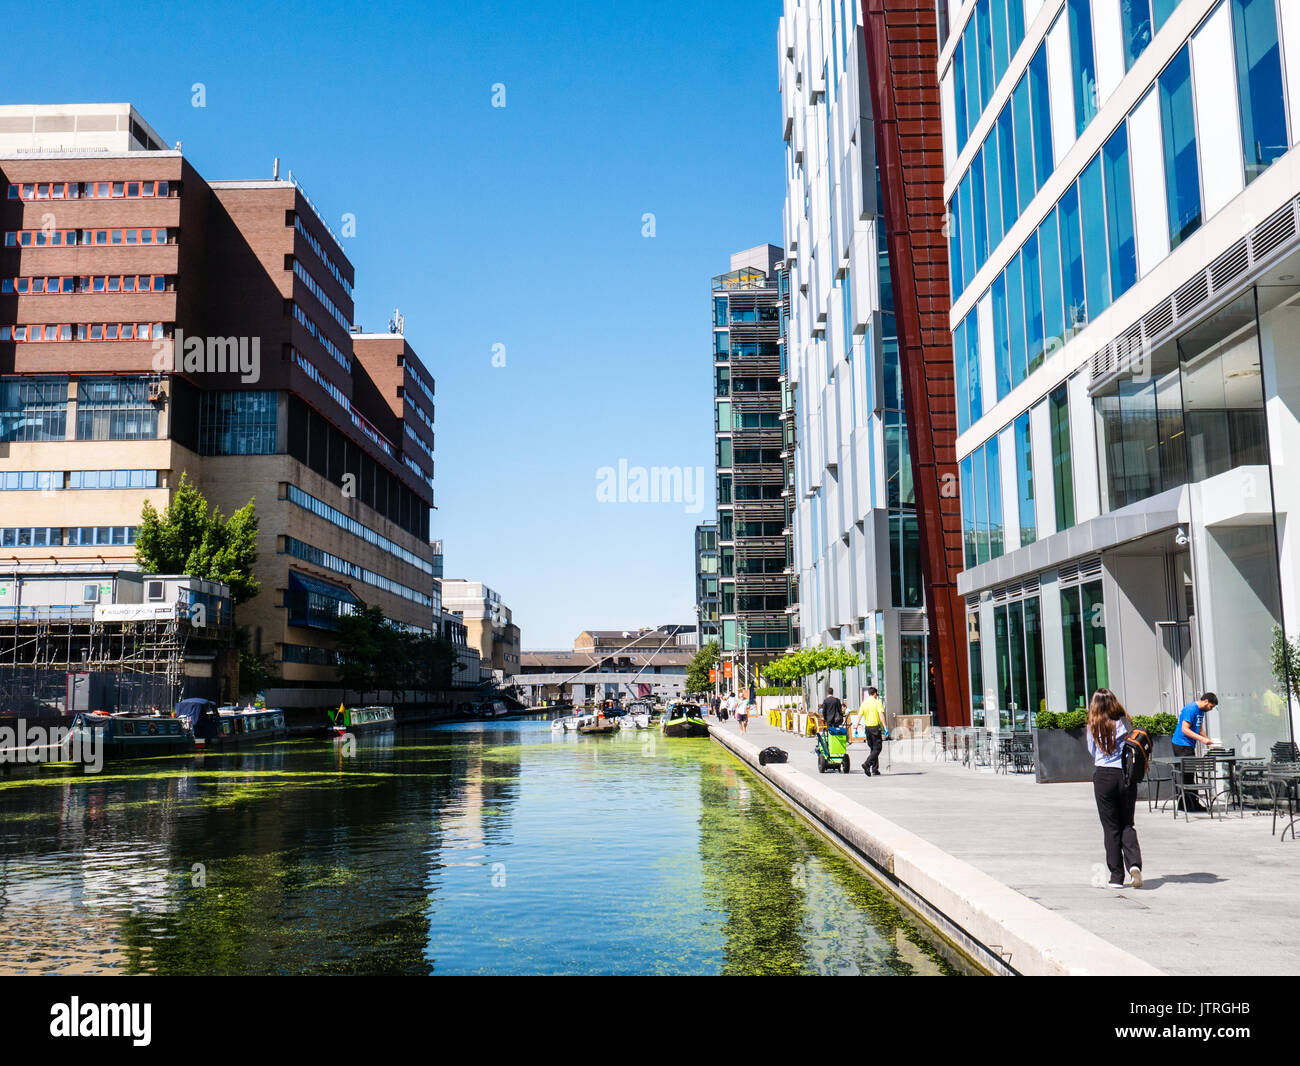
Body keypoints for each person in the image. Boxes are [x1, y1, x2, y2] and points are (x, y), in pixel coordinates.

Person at [1087, 688, 1143, 890]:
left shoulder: (1093, 724)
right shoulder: (1125, 721)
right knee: (1127, 823)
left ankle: (1116, 877)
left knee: (1110, 828)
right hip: (1125, 775)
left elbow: (1091, 750)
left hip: (1103, 776)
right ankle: (1134, 866)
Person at [1172, 692, 1220, 812]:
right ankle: (1190, 804)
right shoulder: (1191, 709)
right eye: (1211, 706)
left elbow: (1199, 727)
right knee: (1188, 774)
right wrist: (1202, 739)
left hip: (1189, 745)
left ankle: (1186, 804)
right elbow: (1185, 729)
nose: (1211, 709)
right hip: (1181, 744)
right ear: (1206, 701)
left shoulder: (1201, 711)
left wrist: (1208, 739)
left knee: (1189, 774)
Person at [858, 686, 887, 777]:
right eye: (876, 694)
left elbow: (859, 715)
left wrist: (855, 726)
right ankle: (867, 764)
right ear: (874, 694)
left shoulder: (864, 703)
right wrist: (885, 727)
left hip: (868, 729)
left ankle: (875, 769)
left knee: (873, 748)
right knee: (878, 748)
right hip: (875, 728)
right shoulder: (877, 703)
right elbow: (881, 715)